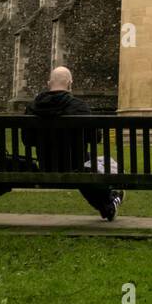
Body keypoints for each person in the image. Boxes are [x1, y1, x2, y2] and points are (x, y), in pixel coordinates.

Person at [26, 67, 123, 221]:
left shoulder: (32, 108)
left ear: (49, 83)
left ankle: (108, 205)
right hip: (76, 166)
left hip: (46, 166)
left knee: (88, 165)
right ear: (70, 84)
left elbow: (27, 140)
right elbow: (95, 137)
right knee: (100, 165)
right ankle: (110, 200)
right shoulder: (79, 106)